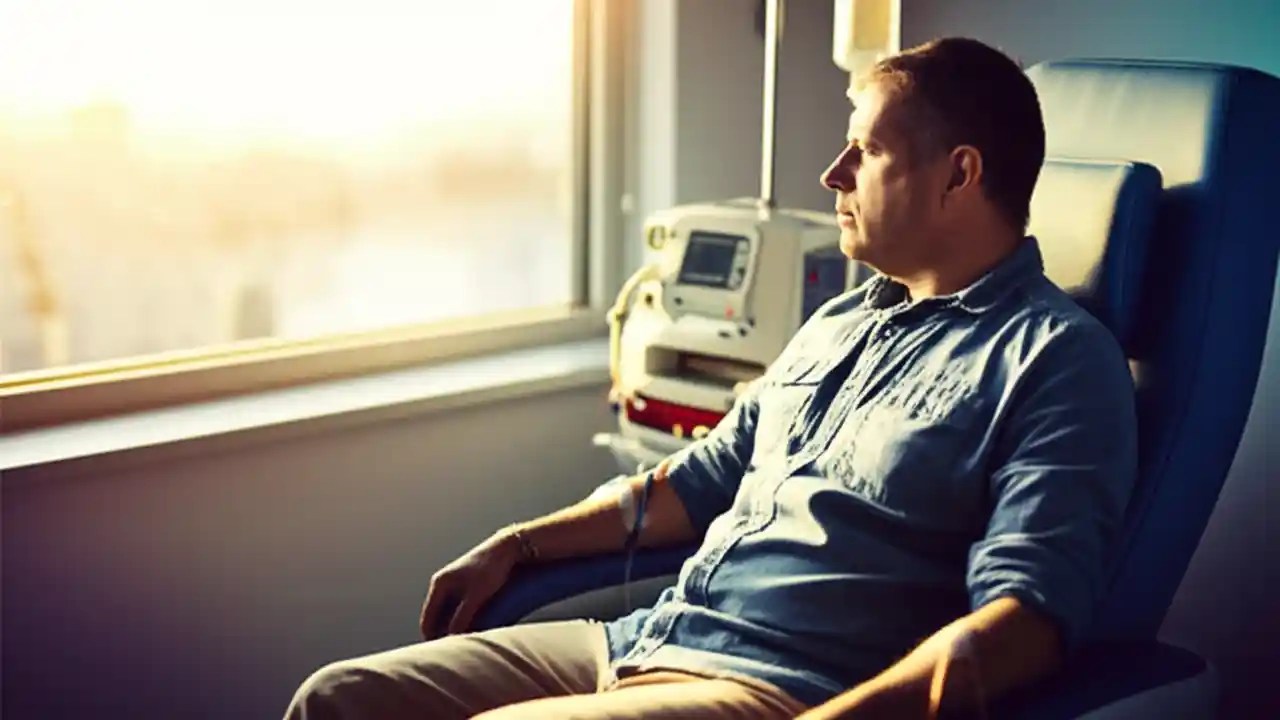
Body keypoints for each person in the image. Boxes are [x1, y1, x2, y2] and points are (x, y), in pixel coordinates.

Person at [284, 37, 1136, 720]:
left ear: (960, 173)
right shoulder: (842, 321)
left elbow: (1026, 618)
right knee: (340, 700)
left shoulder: (1054, 359)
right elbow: (697, 481)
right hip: (648, 639)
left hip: (781, 687)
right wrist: (519, 544)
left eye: (867, 150)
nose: (832, 175)